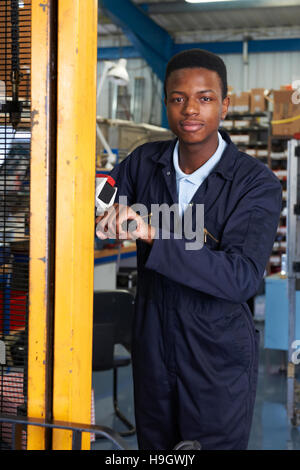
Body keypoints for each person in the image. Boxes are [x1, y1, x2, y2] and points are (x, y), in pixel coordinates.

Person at [96, 49, 282, 450]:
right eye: (178, 99)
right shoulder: (144, 162)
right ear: (167, 104)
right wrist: (101, 212)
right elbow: (97, 201)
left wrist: (154, 234)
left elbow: (241, 278)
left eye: (205, 98)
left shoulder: (255, 184)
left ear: (225, 105)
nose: (190, 110)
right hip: (153, 345)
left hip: (215, 356)